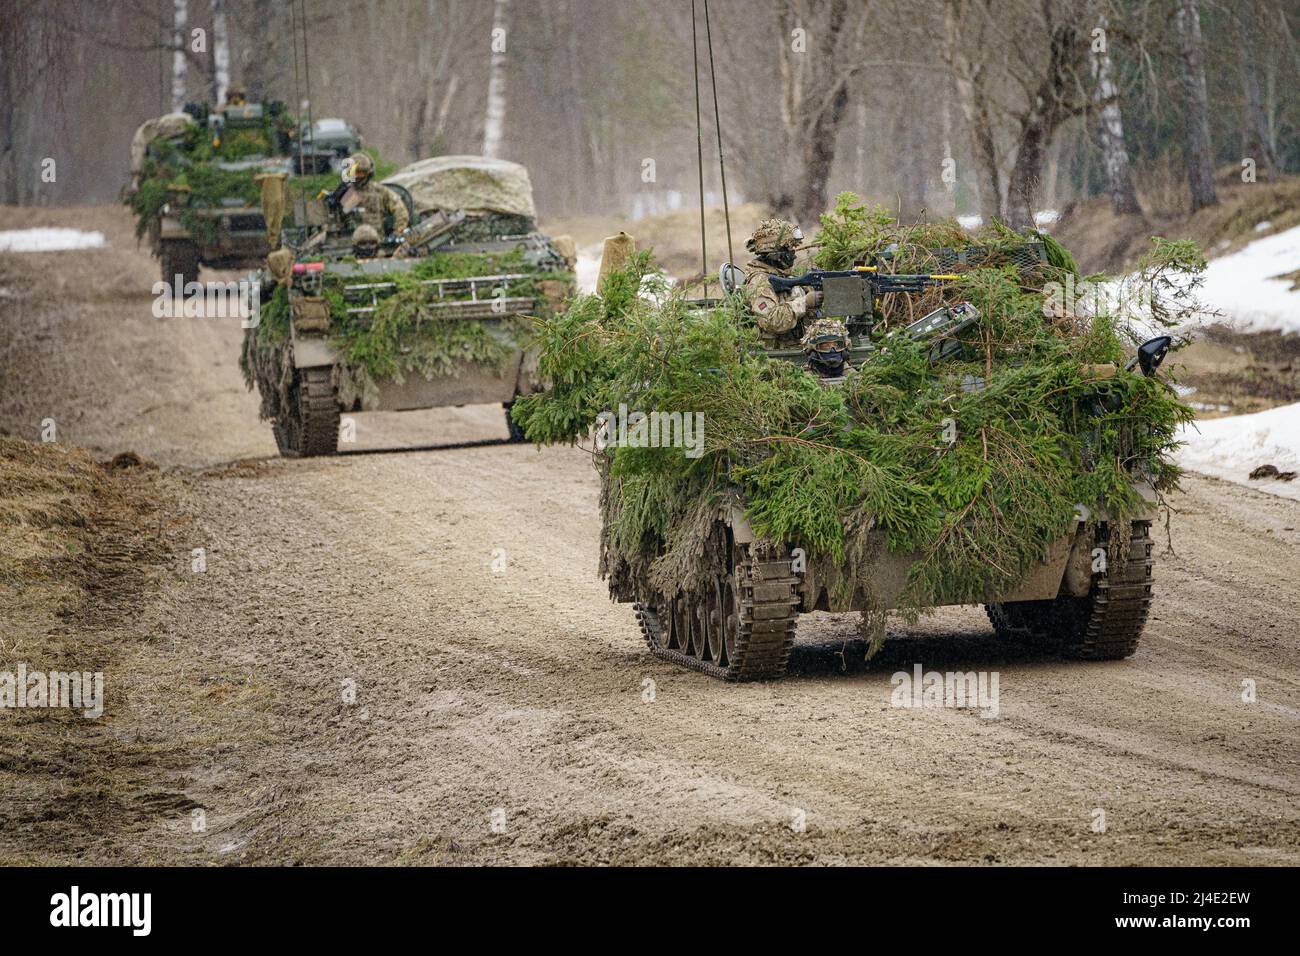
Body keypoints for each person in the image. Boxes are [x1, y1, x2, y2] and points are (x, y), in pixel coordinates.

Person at [741, 219, 819, 348]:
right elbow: (771, 321)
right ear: (774, 254)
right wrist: (804, 303)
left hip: (794, 346)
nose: (793, 255)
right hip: (775, 355)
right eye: (788, 250)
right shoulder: (759, 281)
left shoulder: (781, 274)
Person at [340, 153, 409, 237]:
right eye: (354, 173)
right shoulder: (343, 193)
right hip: (350, 241)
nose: (357, 177)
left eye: (360, 173)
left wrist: (397, 232)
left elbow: (401, 211)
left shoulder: (380, 191)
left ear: (368, 174)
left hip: (376, 241)